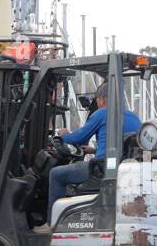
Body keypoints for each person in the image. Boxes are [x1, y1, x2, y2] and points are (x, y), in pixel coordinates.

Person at [37, 82, 140, 234]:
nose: (97, 104)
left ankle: (52, 223)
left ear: (103, 99)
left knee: (56, 174)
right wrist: (94, 149)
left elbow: (78, 138)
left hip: (100, 170)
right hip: (122, 169)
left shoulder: (102, 113)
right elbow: (122, 145)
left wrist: (64, 135)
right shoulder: (134, 117)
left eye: (97, 100)